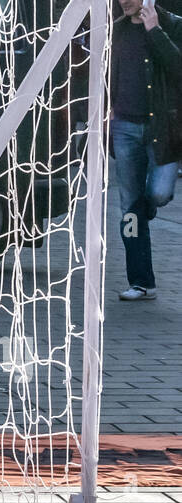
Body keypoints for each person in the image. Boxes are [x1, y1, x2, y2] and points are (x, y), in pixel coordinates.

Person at [110, 0, 182, 300]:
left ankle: (146, 207)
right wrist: (107, 111)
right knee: (130, 210)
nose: (122, 1)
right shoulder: (116, 31)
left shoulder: (174, 25)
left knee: (157, 195)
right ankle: (141, 282)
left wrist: (154, 30)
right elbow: (104, 75)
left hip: (163, 130)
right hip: (124, 127)